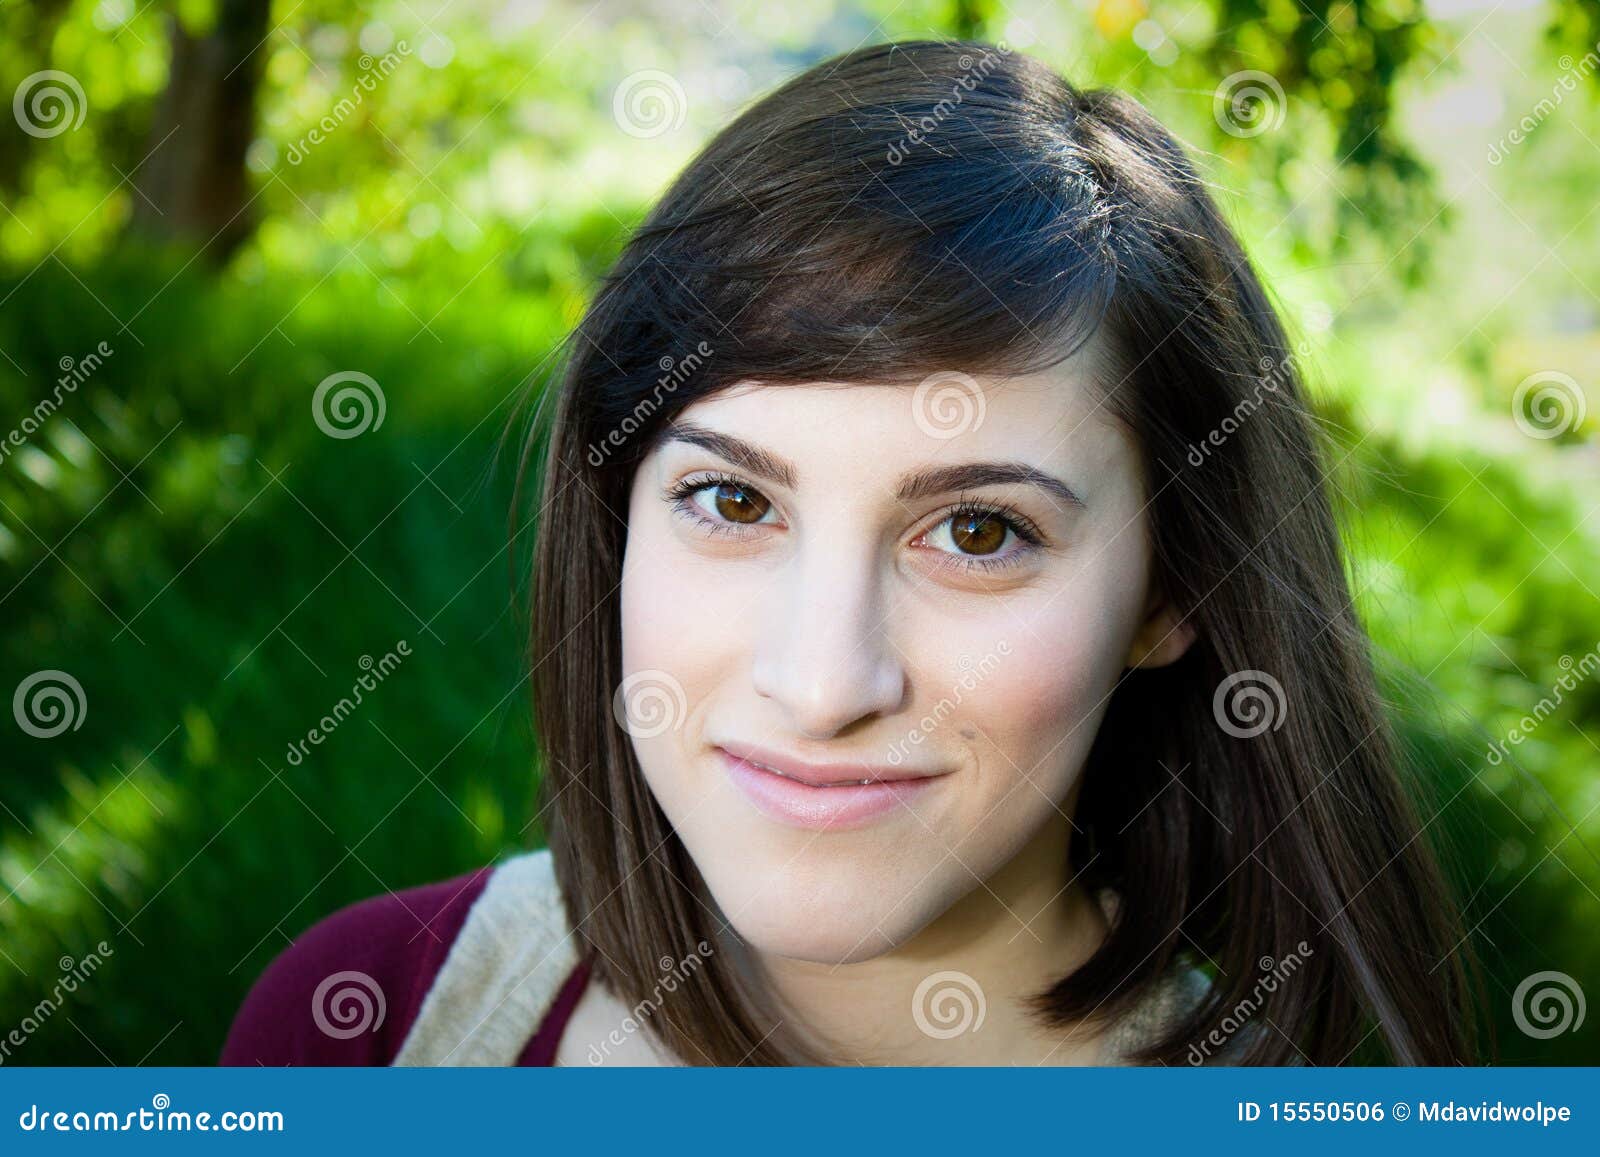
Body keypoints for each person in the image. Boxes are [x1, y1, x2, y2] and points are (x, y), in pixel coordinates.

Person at [222, 38, 1481, 1068]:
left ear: (1173, 590)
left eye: (978, 532)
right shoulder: (367, 1023)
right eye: (731, 500)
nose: (822, 685)